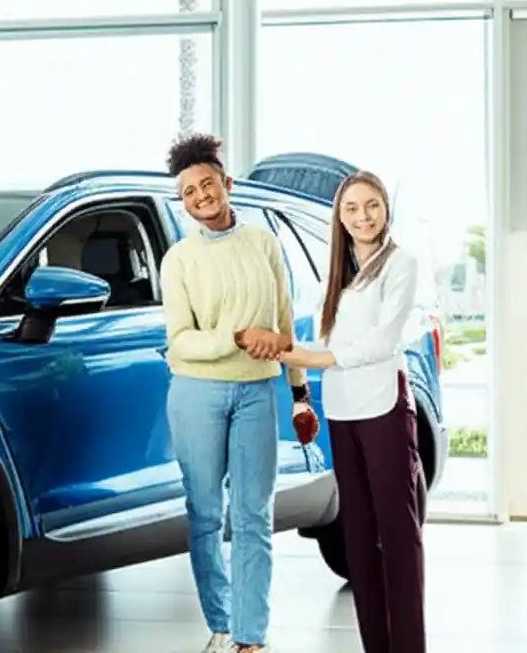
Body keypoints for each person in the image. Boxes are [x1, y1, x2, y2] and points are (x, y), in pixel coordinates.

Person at [160, 133, 314, 653]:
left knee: (254, 516)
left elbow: (285, 320)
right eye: (188, 192)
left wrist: (300, 392)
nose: (201, 195)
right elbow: (179, 340)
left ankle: (251, 637)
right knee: (205, 514)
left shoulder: (263, 243)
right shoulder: (179, 260)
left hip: (256, 393)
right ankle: (221, 623)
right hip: (196, 395)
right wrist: (236, 337)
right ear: (182, 201)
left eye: (208, 183)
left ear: (227, 183)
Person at [276, 170, 426, 653]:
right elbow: (323, 338)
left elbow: (381, 341)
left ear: (386, 210)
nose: (362, 216)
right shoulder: (335, 276)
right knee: (358, 535)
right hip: (342, 409)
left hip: (382, 406)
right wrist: (283, 348)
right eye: (351, 209)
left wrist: (312, 358)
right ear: (340, 217)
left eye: (372, 206)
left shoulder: (401, 264)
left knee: (397, 531)